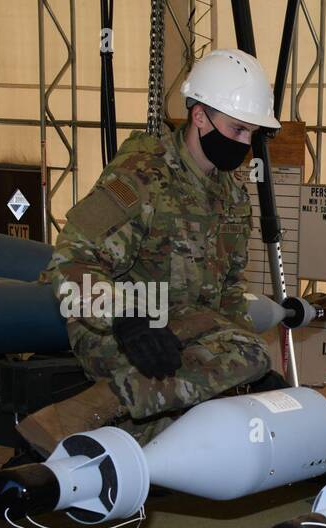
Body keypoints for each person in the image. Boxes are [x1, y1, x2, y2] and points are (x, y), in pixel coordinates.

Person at [18, 49, 280, 455]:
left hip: (185, 326)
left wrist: (247, 370)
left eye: (252, 134)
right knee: (211, 394)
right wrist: (125, 317)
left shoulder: (230, 195)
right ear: (199, 116)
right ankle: (80, 419)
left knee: (242, 367)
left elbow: (229, 291)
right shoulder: (142, 175)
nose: (245, 144)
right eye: (237, 130)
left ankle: (94, 428)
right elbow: (70, 263)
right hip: (119, 328)